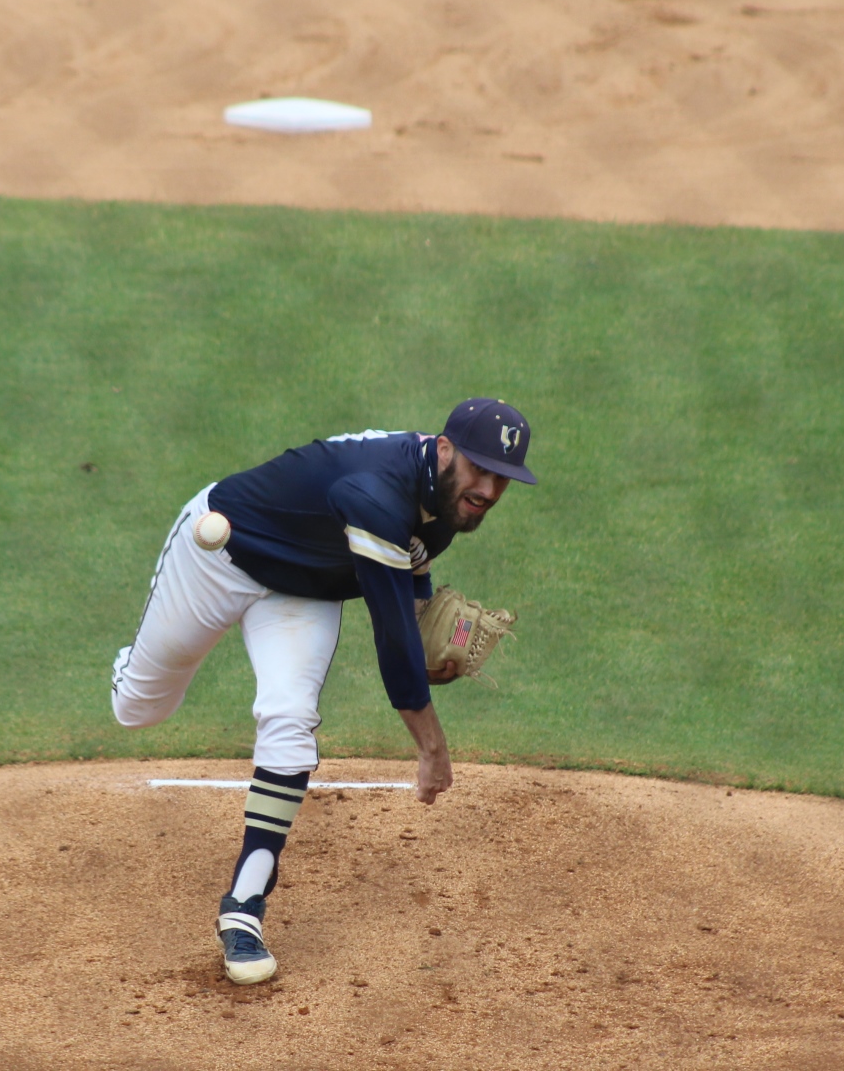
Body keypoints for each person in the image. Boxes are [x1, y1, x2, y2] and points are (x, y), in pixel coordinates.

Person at [109, 398, 537, 985]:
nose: (487, 490)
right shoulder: (377, 493)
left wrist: (424, 615)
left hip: (303, 590)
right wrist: (432, 748)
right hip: (219, 554)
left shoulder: (448, 503)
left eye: (502, 478)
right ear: (444, 451)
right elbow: (393, 640)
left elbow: (412, 578)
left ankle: (243, 909)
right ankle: (132, 662)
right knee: (139, 708)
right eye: (479, 469)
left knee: (290, 716)